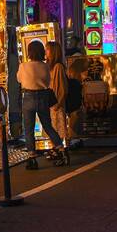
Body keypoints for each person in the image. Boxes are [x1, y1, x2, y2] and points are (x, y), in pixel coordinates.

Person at [15, 39, 67, 167]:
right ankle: (61, 149)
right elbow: (48, 81)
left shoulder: (23, 66)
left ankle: (32, 157)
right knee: (48, 126)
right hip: (43, 96)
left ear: (29, 52)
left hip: (28, 97)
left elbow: (19, 79)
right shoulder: (45, 66)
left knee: (29, 129)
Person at [63, 50, 87, 147]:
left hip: (72, 100)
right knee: (75, 118)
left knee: (73, 118)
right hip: (75, 100)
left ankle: (73, 138)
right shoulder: (80, 74)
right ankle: (75, 138)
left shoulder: (70, 71)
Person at [46, 41, 68, 142]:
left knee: (58, 127)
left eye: (48, 49)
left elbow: (62, 87)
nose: (45, 51)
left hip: (56, 102)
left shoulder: (58, 67)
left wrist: (58, 102)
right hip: (50, 102)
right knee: (52, 127)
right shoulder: (49, 66)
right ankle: (57, 149)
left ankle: (59, 150)